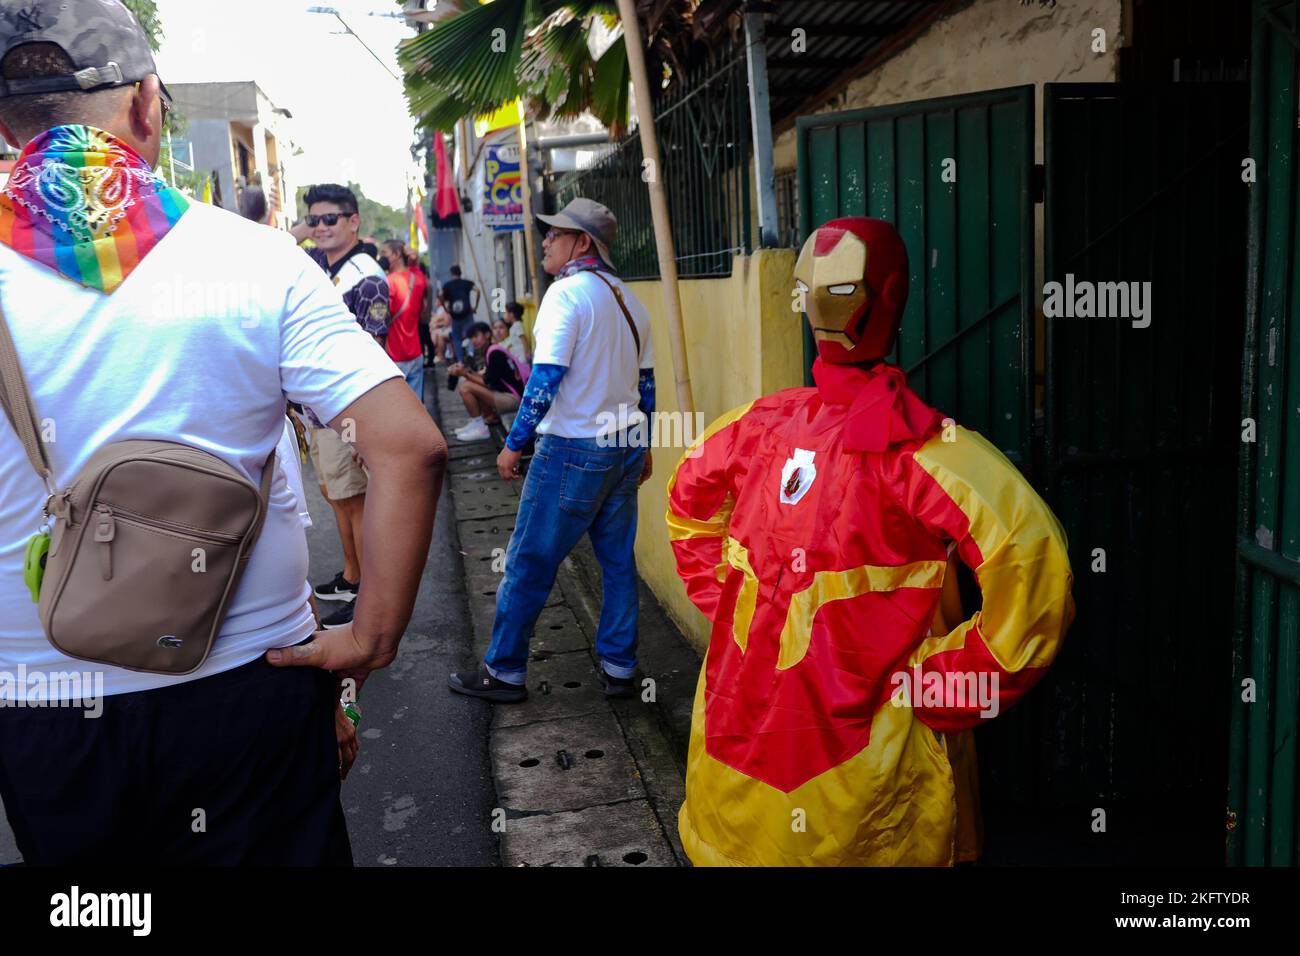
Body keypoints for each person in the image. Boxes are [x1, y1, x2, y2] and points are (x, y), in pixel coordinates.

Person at [0, 0, 445, 865]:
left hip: (41, 706)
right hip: (248, 689)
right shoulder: (256, 259)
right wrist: (371, 637)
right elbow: (409, 445)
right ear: (147, 105)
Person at [664, 216, 1075, 866]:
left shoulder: (750, 429)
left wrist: (737, 614)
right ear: (891, 298)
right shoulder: (933, 458)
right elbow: (1034, 577)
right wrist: (937, 688)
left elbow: (687, 502)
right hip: (867, 807)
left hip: (732, 791)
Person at [448, 198, 654, 703]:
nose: (545, 241)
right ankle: (620, 667)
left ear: (583, 242)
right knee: (618, 563)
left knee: (529, 560)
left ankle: (505, 671)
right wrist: (644, 443)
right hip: (622, 444)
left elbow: (545, 377)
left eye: (556, 233)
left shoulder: (567, 295)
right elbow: (644, 384)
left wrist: (514, 442)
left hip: (573, 448)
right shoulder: (630, 299)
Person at [294, 183, 392, 631]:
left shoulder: (367, 276)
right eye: (313, 219)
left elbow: (373, 348)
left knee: (356, 503)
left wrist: (361, 426)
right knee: (337, 496)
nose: (320, 228)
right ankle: (353, 576)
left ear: (354, 221)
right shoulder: (315, 262)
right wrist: (302, 232)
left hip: (344, 411)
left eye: (330, 219)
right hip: (317, 410)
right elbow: (276, 250)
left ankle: (367, 596)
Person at [447, 321, 524, 441]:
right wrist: (466, 372)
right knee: (467, 382)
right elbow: (486, 378)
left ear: (487, 335)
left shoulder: (495, 353)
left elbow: (489, 383)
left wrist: (465, 373)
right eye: (471, 337)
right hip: (507, 395)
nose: (473, 340)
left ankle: (480, 427)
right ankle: (482, 420)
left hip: (512, 399)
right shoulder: (492, 350)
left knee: (465, 386)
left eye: (476, 336)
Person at [381, 239, 427, 399]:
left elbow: (381, 319)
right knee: (416, 407)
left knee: (395, 410)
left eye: (384, 254)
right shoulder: (418, 279)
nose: (382, 258)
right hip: (415, 353)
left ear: (396, 254)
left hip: (394, 356)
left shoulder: (388, 283)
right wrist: (414, 260)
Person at [439, 264, 478, 363]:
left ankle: (460, 360)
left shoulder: (447, 285)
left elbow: (440, 296)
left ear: (451, 274)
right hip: (467, 313)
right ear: (460, 272)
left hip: (455, 316)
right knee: (470, 334)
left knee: (456, 338)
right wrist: (475, 307)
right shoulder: (466, 283)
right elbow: (478, 291)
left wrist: (445, 308)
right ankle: (471, 354)